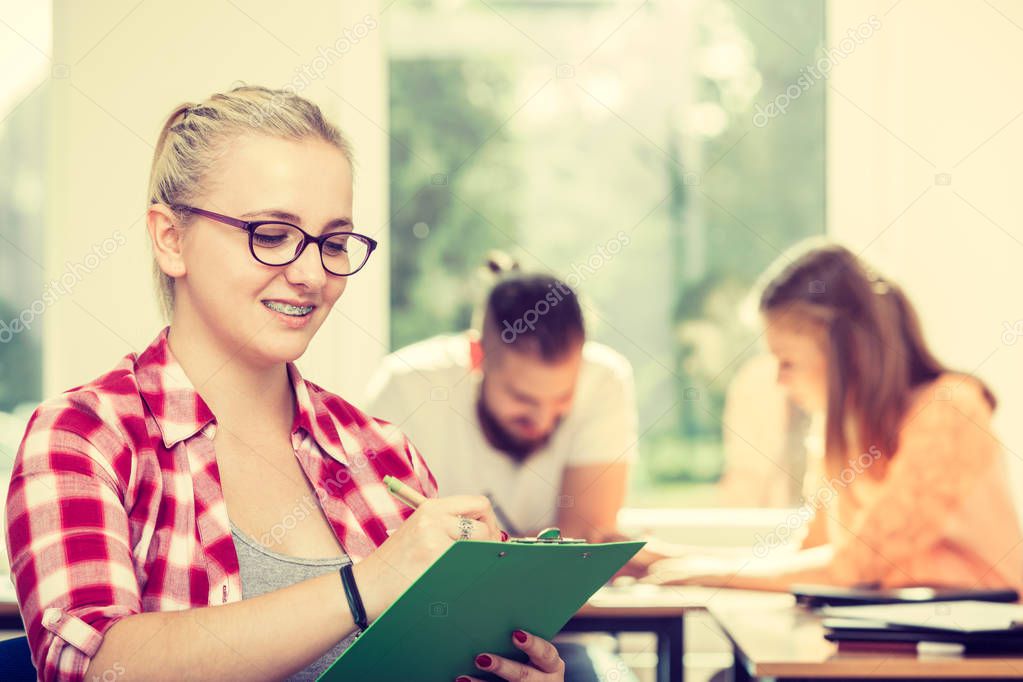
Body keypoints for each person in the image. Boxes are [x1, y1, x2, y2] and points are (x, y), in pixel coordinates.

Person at [5, 86, 565, 682]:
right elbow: (96, 668)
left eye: (334, 242)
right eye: (271, 235)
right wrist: (366, 584)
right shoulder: (83, 439)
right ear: (171, 238)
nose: (310, 274)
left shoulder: (381, 453)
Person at [646, 242, 1023, 592]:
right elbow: (810, 554)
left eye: (787, 362)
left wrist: (712, 573)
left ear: (849, 352)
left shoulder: (952, 409)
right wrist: (681, 559)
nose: (779, 381)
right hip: (894, 642)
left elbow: (855, 568)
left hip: (979, 654)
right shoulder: (837, 427)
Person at [365, 261, 638, 546]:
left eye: (561, 398)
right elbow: (383, 544)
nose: (543, 420)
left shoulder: (603, 380)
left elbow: (584, 542)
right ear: (476, 358)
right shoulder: (405, 386)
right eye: (522, 398)